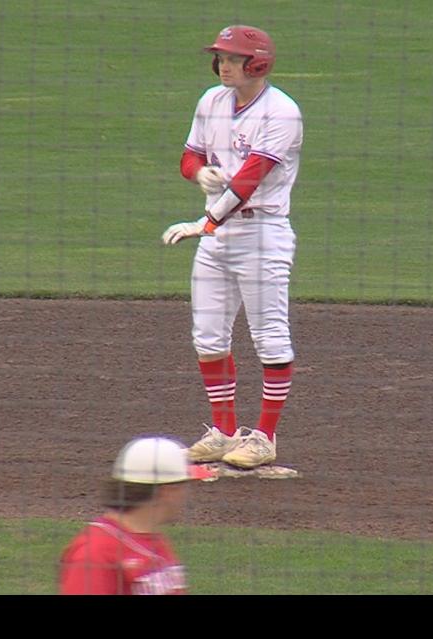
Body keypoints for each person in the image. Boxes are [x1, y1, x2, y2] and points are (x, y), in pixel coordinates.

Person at [160, 24, 305, 470]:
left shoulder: (282, 113)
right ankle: (223, 431)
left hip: (262, 235)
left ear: (256, 63)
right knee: (207, 336)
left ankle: (264, 437)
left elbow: (249, 179)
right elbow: (190, 155)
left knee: (270, 338)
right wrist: (197, 174)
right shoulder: (210, 101)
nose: (223, 64)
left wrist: (205, 220)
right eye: (220, 57)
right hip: (216, 235)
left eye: (232, 58)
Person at [59, 436, 211, 595]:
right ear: (167, 492)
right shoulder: (95, 554)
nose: (186, 495)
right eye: (183, 487)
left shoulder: (153, 539)